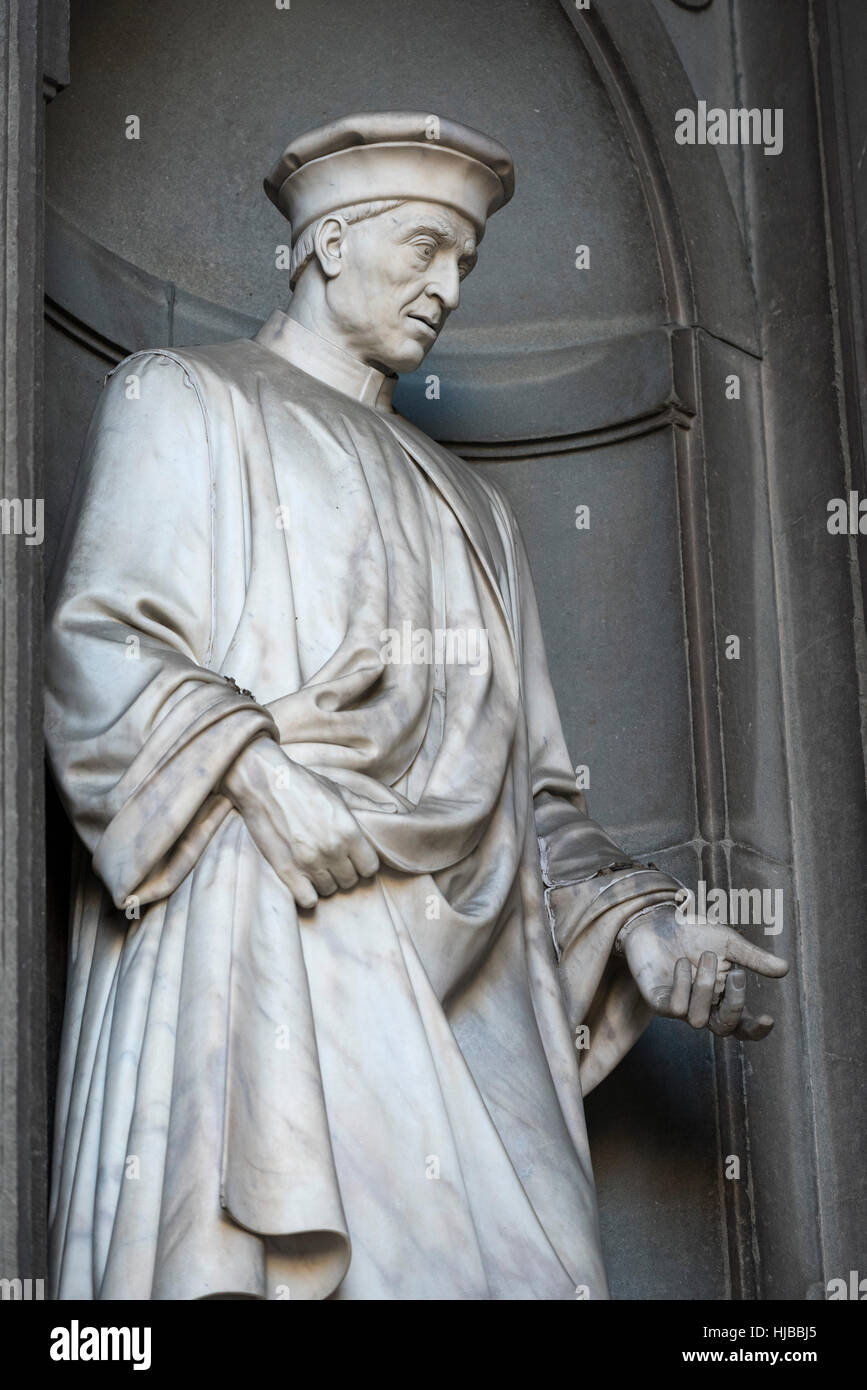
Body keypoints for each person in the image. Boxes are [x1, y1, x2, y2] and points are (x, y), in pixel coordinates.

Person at [45, 111, 787, 1300]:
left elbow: (534, 800)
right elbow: (99, 650)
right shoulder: (185, 397)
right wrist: (261, 770)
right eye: (427, 247)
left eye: (468, 264)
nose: (448, 287)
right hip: (267, 940)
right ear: (330, 242)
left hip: (476, 1005)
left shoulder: (475, 511)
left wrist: (637, 922)